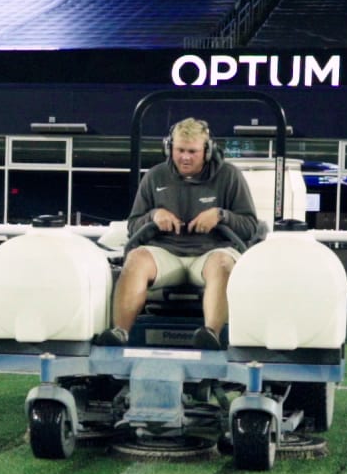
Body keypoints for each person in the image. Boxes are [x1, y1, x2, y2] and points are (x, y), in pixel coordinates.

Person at [97, 117, 258, 350]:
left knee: (223, 263)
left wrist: (222, 216)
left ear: (207, 150)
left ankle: (210, 334)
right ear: (169, 148)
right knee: (135, 259)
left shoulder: (229, 176)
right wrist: (153, 216)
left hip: (210, 254)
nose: (185, 157)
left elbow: (250, 226)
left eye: (192, 151)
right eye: (180, 150)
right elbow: (133, 226)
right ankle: (120, 333)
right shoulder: (155, 176)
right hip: (166, 254)